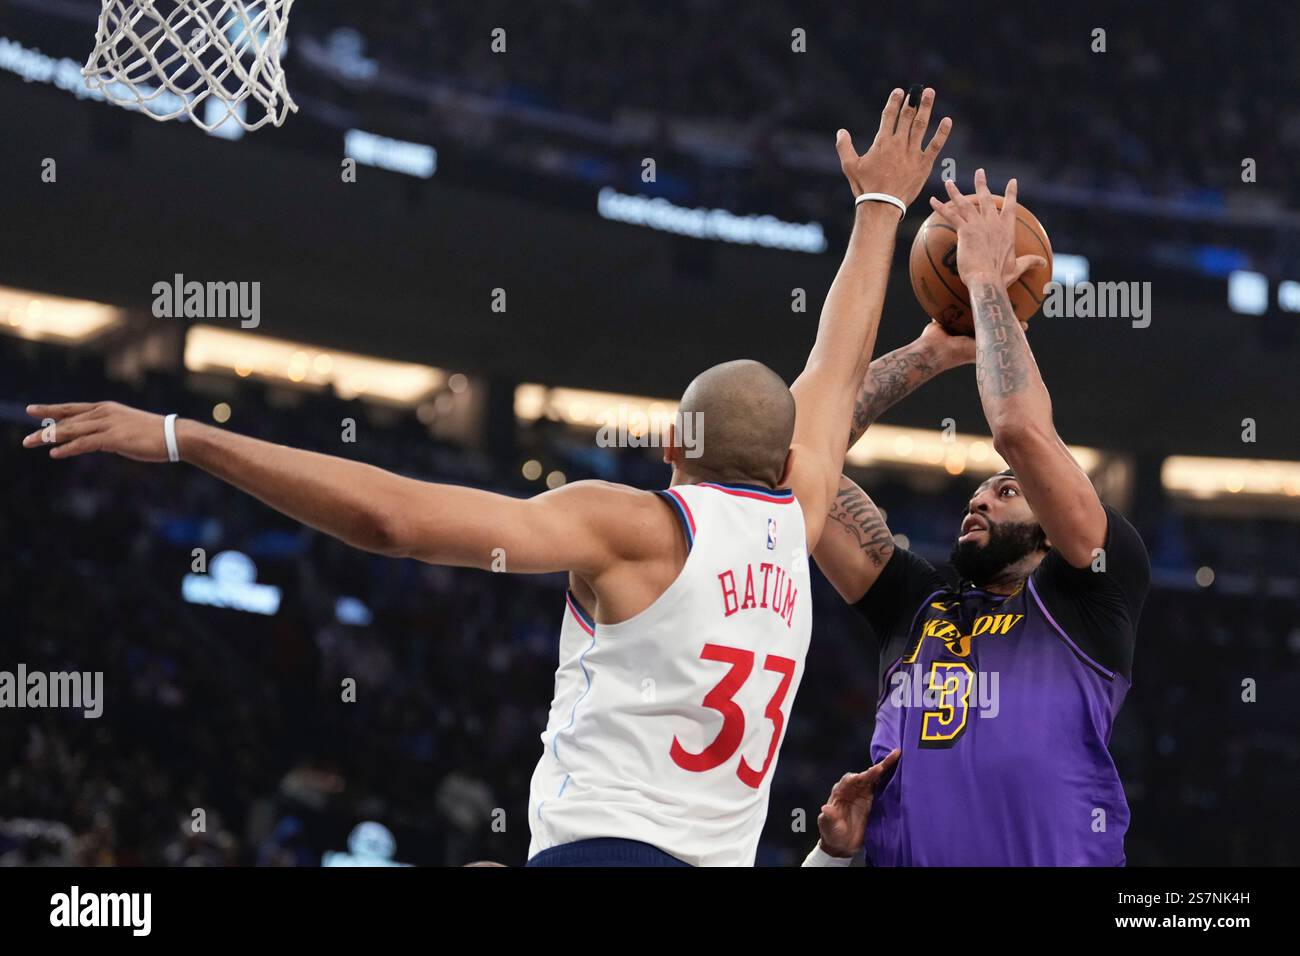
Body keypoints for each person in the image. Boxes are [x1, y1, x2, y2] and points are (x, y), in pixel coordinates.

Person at [23, 88, 952, 867]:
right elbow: (837, 365)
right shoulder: (802, 509)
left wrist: (187, 436)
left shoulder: (634, 525)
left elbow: (392, 521)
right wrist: (881, 212)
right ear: (788, 459)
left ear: (672, 446)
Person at [804, 171, 1150, 866]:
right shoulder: (915, 606)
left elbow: (1020, 430)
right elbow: (791, 461)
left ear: (1053, 526)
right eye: (981, 492)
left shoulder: (1092, 591)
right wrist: (927, 354)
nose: (980, 498)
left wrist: (988, 283)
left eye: (1006, 492)